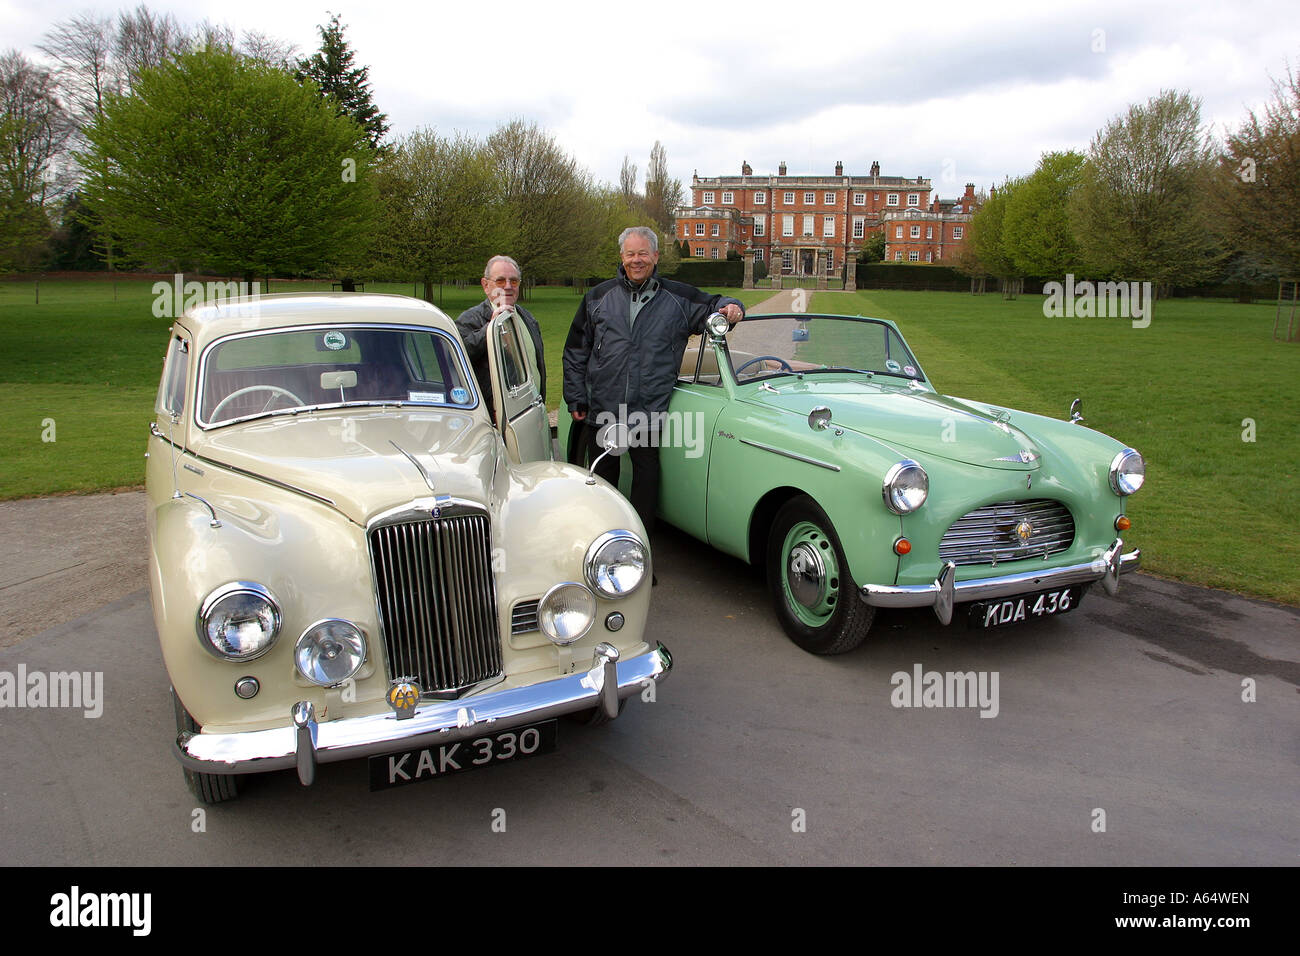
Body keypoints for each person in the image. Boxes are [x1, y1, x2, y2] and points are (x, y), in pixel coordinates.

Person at [563, 226, 743, 536]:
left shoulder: (678, 297)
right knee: (603, 483)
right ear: (622, 256)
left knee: (646, 484)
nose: (636, 260)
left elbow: (717, 304)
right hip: (604, 406)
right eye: (630, 254)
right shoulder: (598, 297)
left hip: (647, 409)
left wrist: (733, 307)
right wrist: (576, 397)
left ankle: (641, 552)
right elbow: (576, 350)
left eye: (643, 254)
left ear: (655, 256)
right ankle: (601, 548)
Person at [455, 255, 546, 409]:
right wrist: (491, 328)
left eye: (514, 281)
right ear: (485, 285)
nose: (508, 286)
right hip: (497, 417)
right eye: (500, 281)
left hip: (532, 409)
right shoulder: (470, 319)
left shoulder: (527, 318)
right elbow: (460, 356)